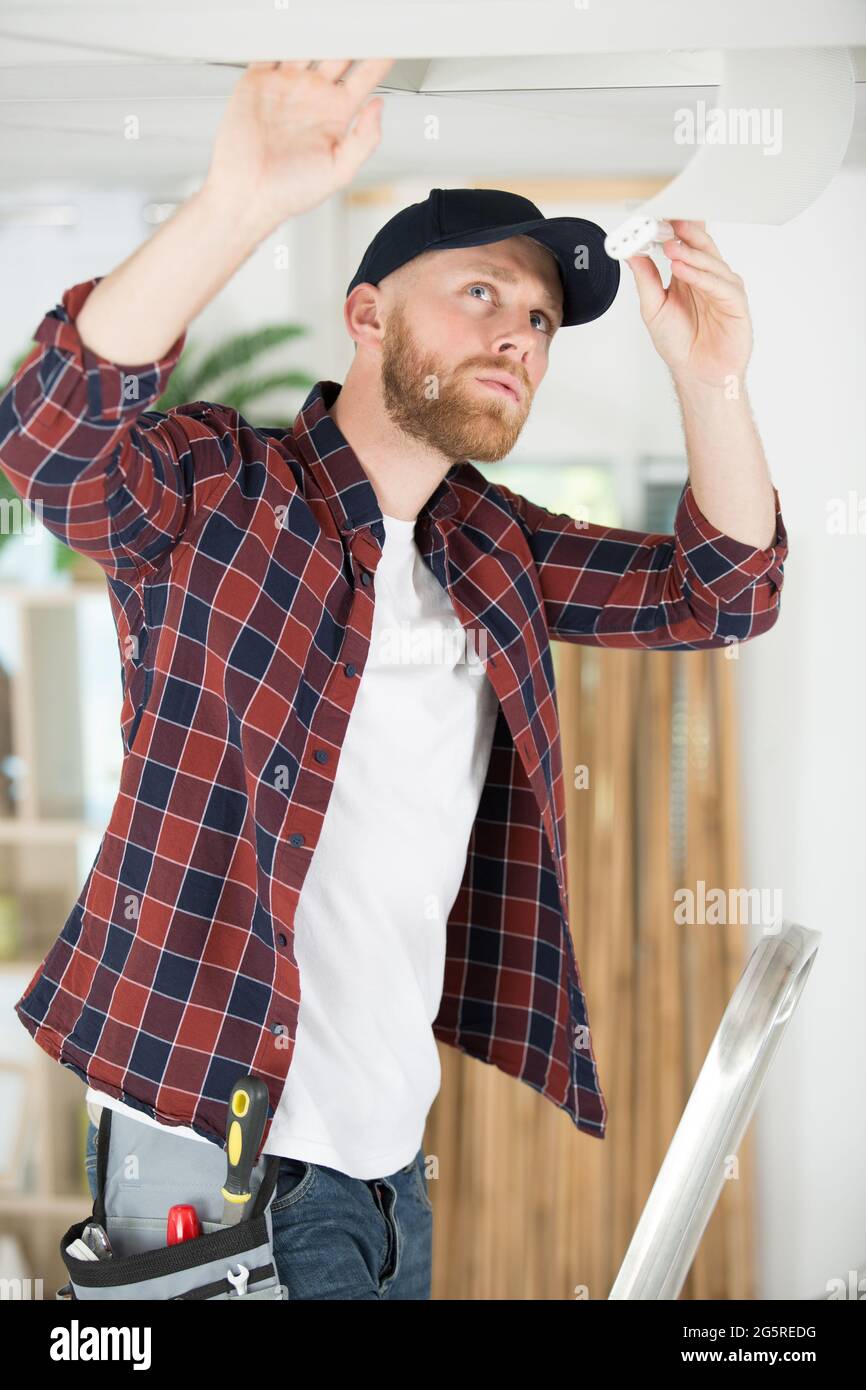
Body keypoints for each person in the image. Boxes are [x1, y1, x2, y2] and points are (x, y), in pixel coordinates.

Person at [2, 59, 787, 1300]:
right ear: (366, 316)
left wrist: (711, 377)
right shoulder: (221, 491)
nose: (515, 338)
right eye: (479, 294)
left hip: (387, 1179)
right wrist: (238, 200)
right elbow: (48, 440)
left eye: (534, 321)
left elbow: (724, 592)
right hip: (215, 1156)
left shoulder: (490, 550)